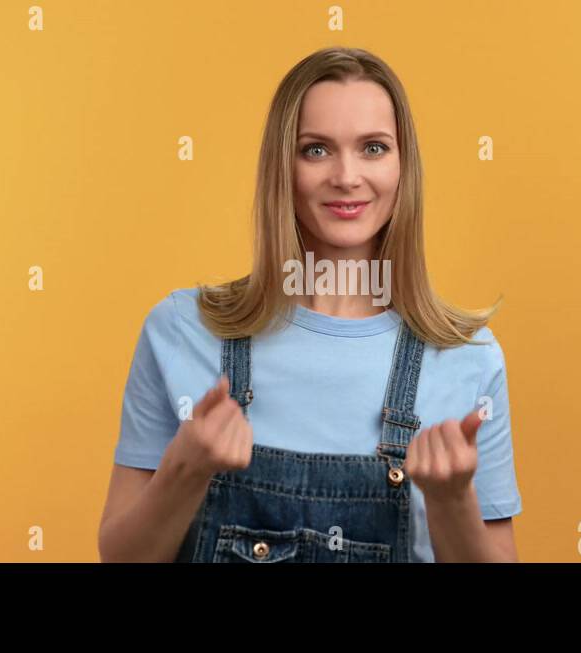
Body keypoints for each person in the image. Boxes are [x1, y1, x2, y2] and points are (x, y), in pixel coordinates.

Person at [98, 47, 522, 563]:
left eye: (373, 148)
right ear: (282, 167)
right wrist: (184, 470)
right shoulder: (182, 330)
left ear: (403, 166)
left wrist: (452, 501)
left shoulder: (467, 358)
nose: (346, 176)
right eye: (316, 150)